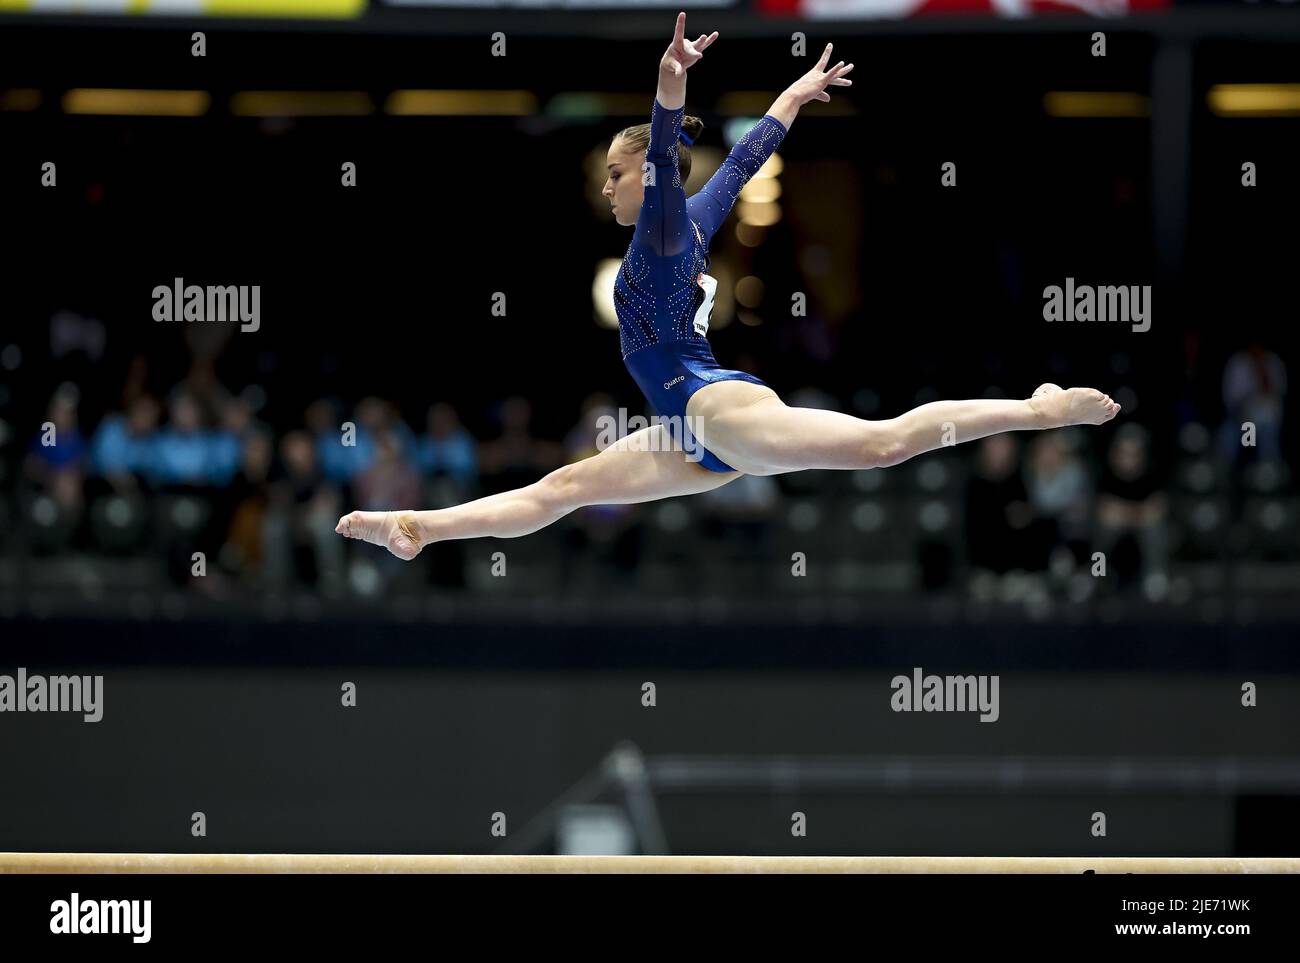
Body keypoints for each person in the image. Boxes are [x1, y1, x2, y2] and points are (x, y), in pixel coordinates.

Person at [336, 13, 1120, 560]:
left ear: (648, 180)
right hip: (692, 428)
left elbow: (671, 145)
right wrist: (789, 98)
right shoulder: (687, 227)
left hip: (715, 407)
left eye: (615, 174)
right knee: (563, 487)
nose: (607, 187)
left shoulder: (664, 227)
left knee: (881, 445)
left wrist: (669, 84)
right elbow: (743, 164)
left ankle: (1038, 407)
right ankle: (419, 527)